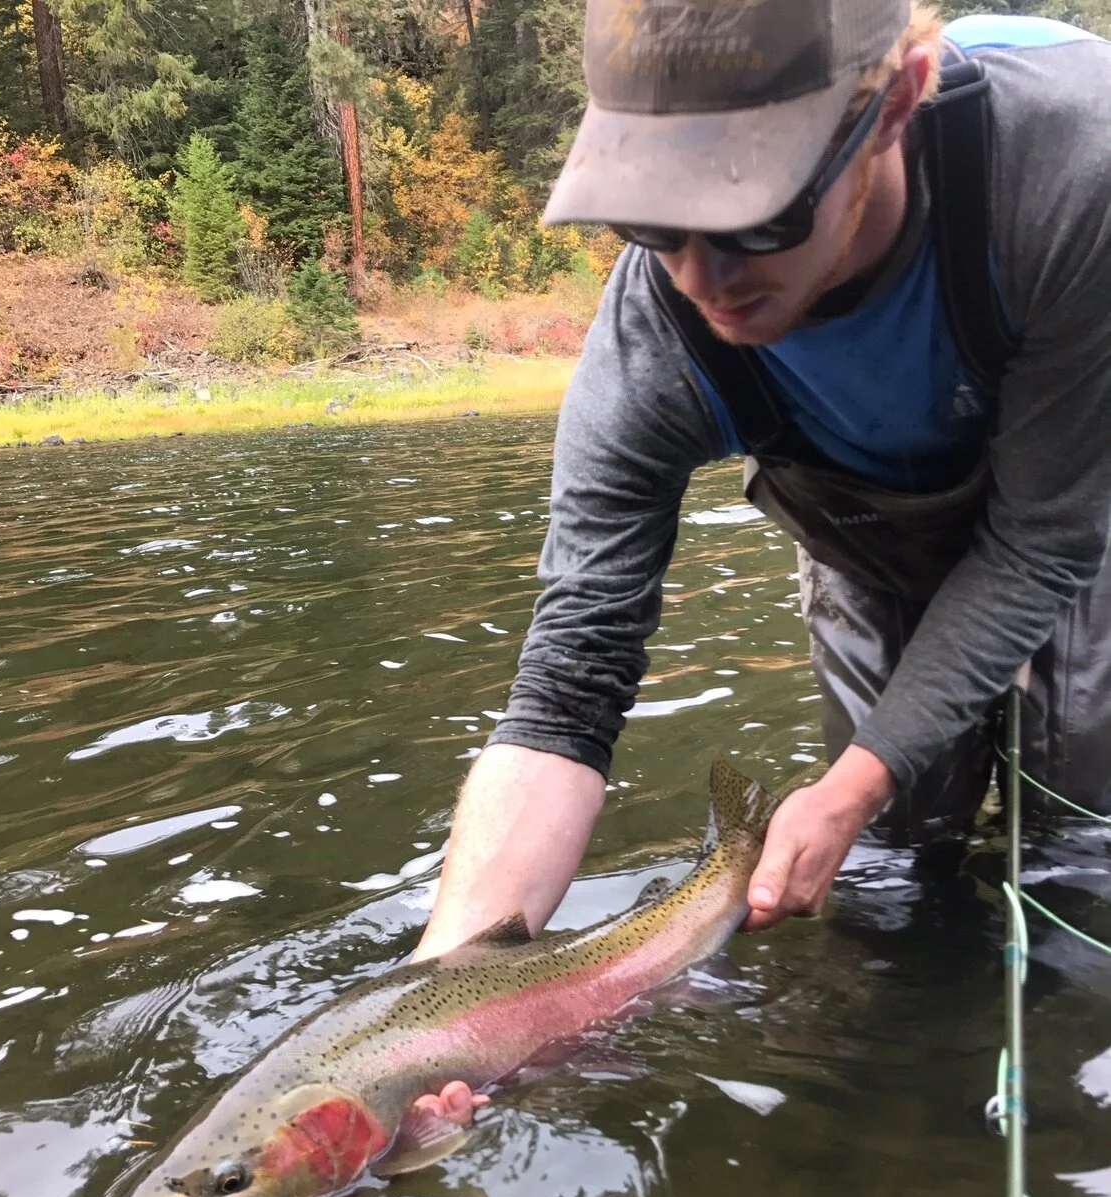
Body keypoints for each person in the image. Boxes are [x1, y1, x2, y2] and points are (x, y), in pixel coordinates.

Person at [410, 0, 1111, 1033]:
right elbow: (569, 679)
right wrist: (433, 1012)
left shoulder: (1069, 175)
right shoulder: (656, 344)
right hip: (869, 543)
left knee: (1075, 859)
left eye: (754, 218)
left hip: (1069, 498)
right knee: (884, 871)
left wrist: (850, 781)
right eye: (651, 223)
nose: (702, 282)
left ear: (895, 105)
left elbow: (1042, 541)